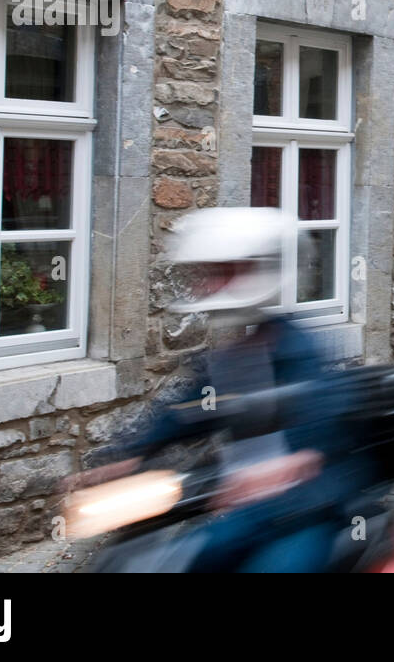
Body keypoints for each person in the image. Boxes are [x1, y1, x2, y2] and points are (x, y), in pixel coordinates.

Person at [73, 207, 365, 572]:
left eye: (225, 272)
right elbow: (182, 415)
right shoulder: (226, 360)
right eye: (210, 273)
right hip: (245, 513)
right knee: (176, 562)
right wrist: (129, 454)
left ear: (263, 269)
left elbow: (322, 423)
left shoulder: (301, 351)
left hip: (304, 512)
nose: (210, 284)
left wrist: (297, 460)